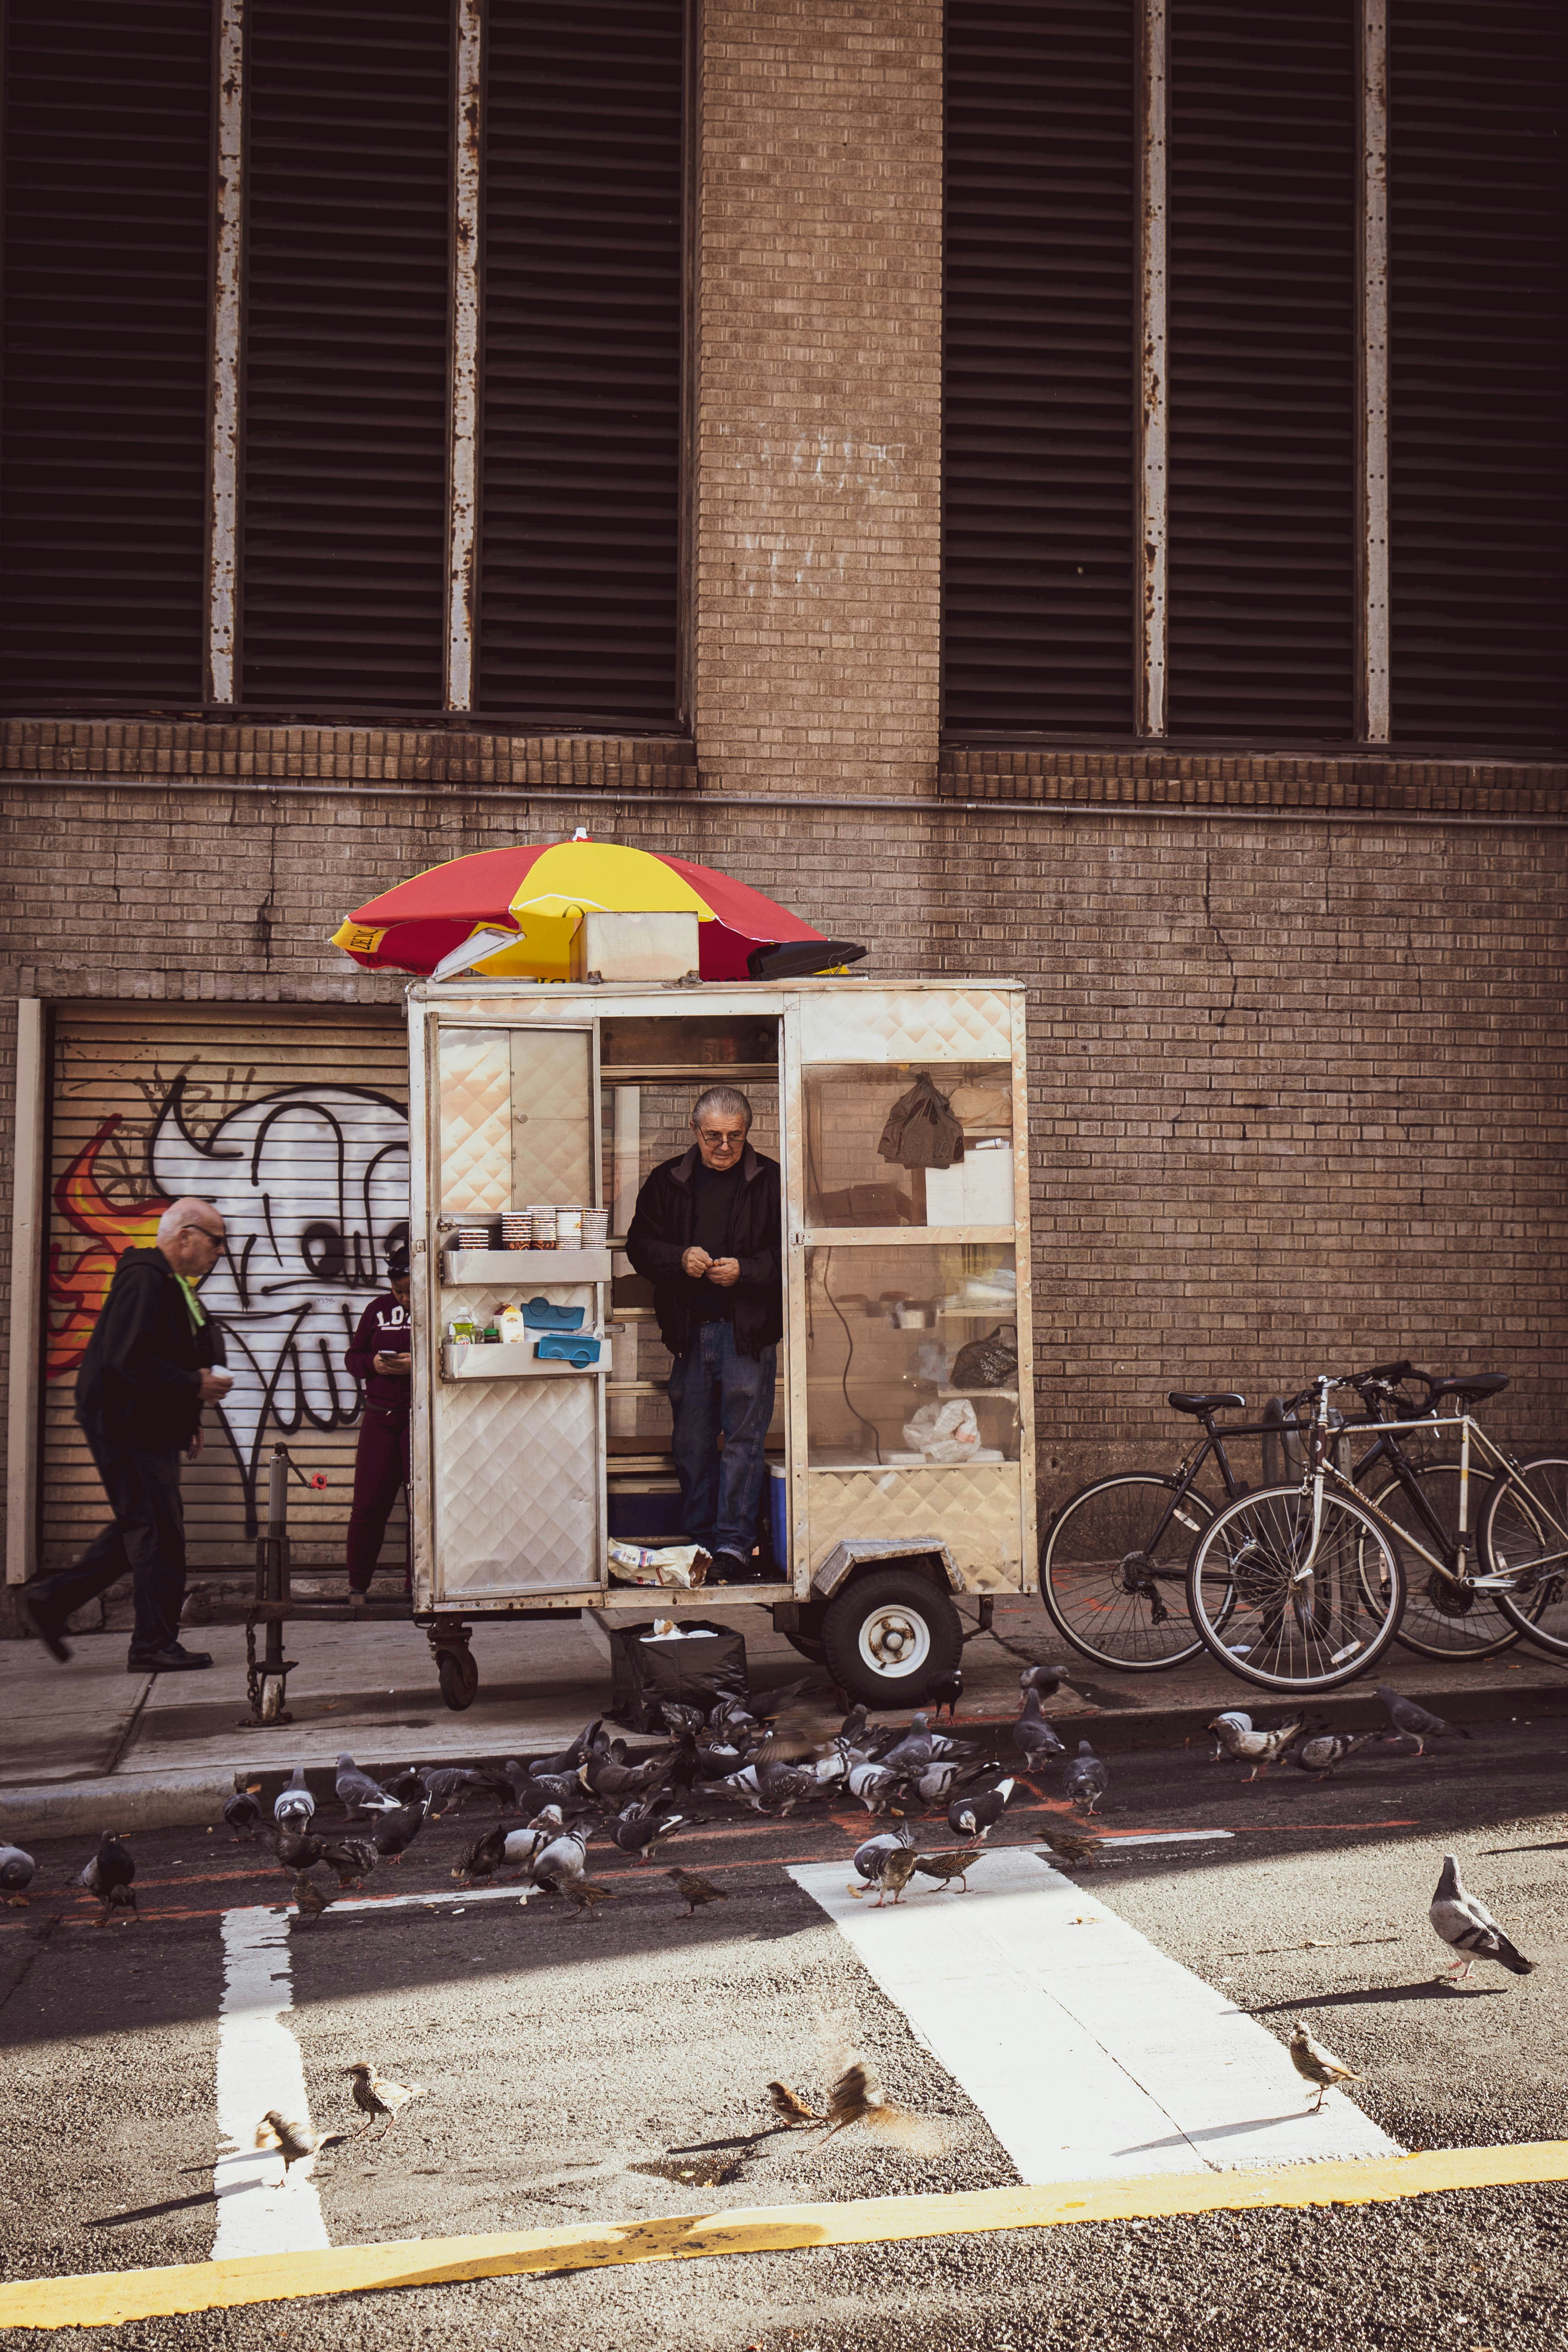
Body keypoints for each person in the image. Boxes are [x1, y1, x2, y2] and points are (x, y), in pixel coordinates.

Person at [24, 1196, 233, 1671]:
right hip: (125, 1423)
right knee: (158, 1532)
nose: (221, 1251)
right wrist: (193, 1386)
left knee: (141, 1525)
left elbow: (167, 1354)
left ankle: (52, 1601)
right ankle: (152, 1646)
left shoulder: (171, 1284)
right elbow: (129, 1361)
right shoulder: (145, 1282)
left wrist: (189, 1417)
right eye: (216, 1240)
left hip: (148, 1423)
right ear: (185, 1237)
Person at [626, 1087, 782, 1583]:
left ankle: (735, 1544)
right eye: (714, 1136)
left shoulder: (772, 1180)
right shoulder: (667, 1179)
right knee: (692, 1442)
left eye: (735, 1137)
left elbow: (797, 1251)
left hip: (747, 1337)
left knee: (743, 1442)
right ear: (694, 1131)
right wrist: (679, 1259)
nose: (724, 1146)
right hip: (690, 1335)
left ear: (747, 1134)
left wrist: (748, 1272)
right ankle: (699, 1542)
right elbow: (638, 1246)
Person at [343, 1244, 413, 1601]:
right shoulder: (376, 1310)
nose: (402, 1298)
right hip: (379, 1419)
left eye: (408, 1291)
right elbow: (352, 1357)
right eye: (397, 1290)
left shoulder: (437, 1306)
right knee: (368, 1505)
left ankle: (416, 1584)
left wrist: (415, 1366)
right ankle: (358, 1584)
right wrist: (374, 1363)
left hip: (419, 1421)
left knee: (422, 1508)